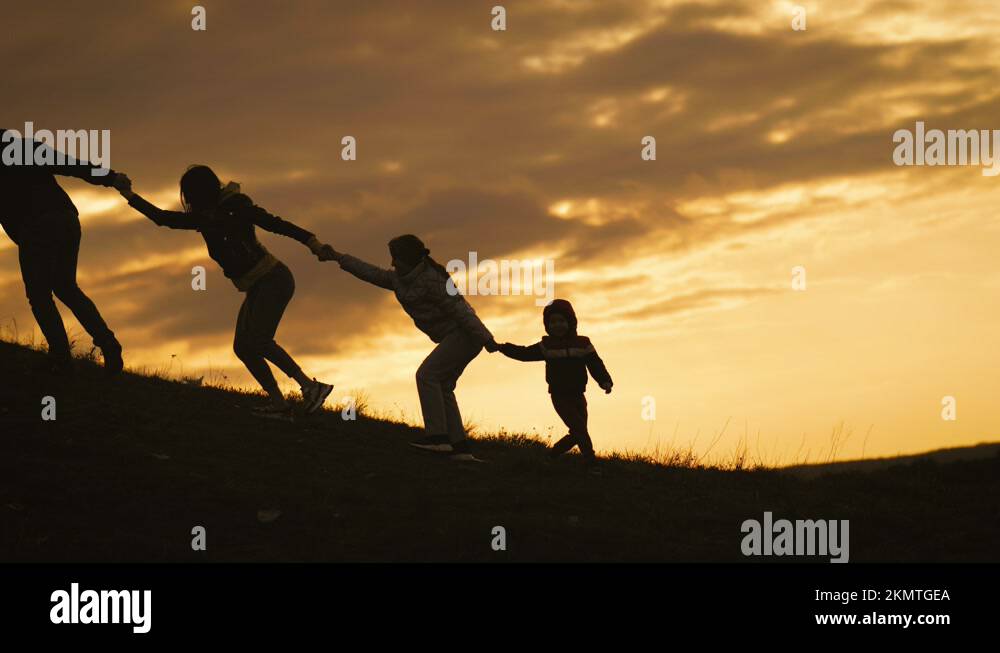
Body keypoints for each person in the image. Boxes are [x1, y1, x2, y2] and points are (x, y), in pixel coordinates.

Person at [114, 165, 332, 420]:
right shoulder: (206, 216)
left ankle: (310, 387)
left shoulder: (237, 206)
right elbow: (165, 219)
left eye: (190, 194)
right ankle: (279, 405)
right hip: (258, 284)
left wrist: (311, 241)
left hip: (273, 279)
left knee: (259, 341)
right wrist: (129, 195)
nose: (188, 200)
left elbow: (275, 224)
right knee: (243, 347)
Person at [318, 235, 497, 461]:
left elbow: (461, 310)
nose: (393, 263)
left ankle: (438, 438)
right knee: (442, 386)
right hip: (455, 337)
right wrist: (337, 257)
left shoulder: (434, 280)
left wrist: (486, 339)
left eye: (396, 258)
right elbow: (371, 273)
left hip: (465, 335)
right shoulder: (399, 280)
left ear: (410, 258)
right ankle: (459, 447)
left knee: (427, 375)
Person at [0, 128, 125, 375]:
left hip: (36, 227)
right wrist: (110, 178)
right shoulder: (25, 147)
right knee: (66, 287)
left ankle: (60, 355)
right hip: (66, 219)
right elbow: (71, 165)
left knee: (39, 295)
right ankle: (108, 343)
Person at [498, 299, 612, 463]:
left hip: (579, 395)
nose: (557, 325)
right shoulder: (546, 346)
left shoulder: (583, 344)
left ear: (570, 322)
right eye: (552, 322)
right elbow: (524, 354)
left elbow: (595, 364)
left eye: (561, 321)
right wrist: (503, 348)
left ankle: (551, 456)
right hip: (560, 396)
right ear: (547, 325)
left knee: (577, 432)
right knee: (580, 429)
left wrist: (605, 381)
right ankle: (591, 461)